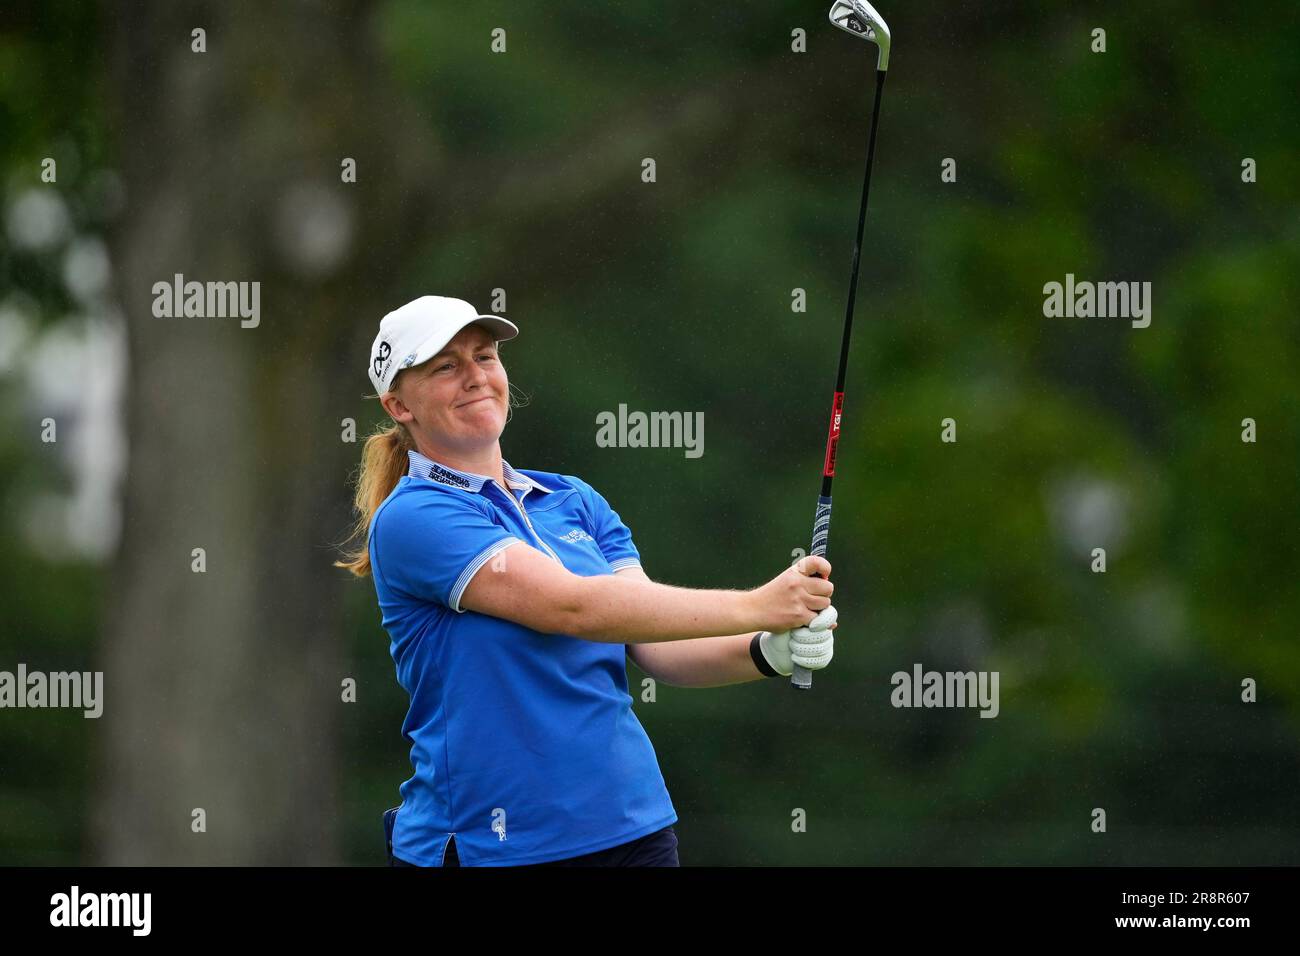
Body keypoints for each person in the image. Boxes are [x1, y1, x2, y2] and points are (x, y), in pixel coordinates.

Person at [336, 295, 839, 867]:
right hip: (495, 845)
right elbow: (572, 608)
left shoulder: (573, 499)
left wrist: (766, 649)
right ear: (399, 404)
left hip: (631, 829)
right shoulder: (413, 517)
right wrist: (760, 605)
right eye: (446, 366)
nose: (476, 377)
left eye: (485, 357)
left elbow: (649, 637)